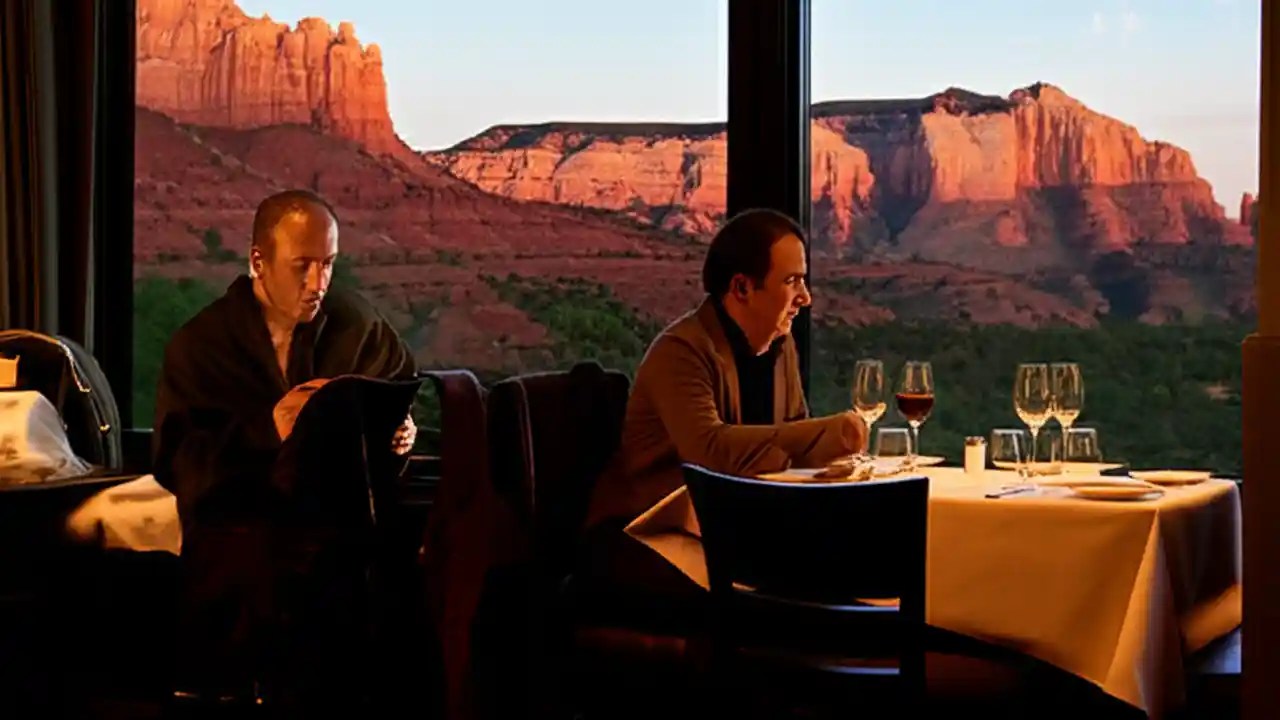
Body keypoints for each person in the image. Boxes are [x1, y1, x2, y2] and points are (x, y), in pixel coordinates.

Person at [152, 189, 418, 710]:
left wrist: (401, 432)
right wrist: (268, 431)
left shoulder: (355, 323)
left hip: (341, 530)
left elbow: (398, 384)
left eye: (329, 264)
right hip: (243, 532)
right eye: (302, 266)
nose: (318, 283)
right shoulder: (201, 345)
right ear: (258, 261)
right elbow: (181, 466)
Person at [576, 208, 868, 628]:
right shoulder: (682, 351)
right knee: (793, 595)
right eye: (792, 281)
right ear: (742, 287)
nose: (806, 298)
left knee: (840, 572)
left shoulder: (779, 349)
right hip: (645, 538)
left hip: (732, 527)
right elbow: (708, 450)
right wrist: (834, 432)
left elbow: (796, 448)